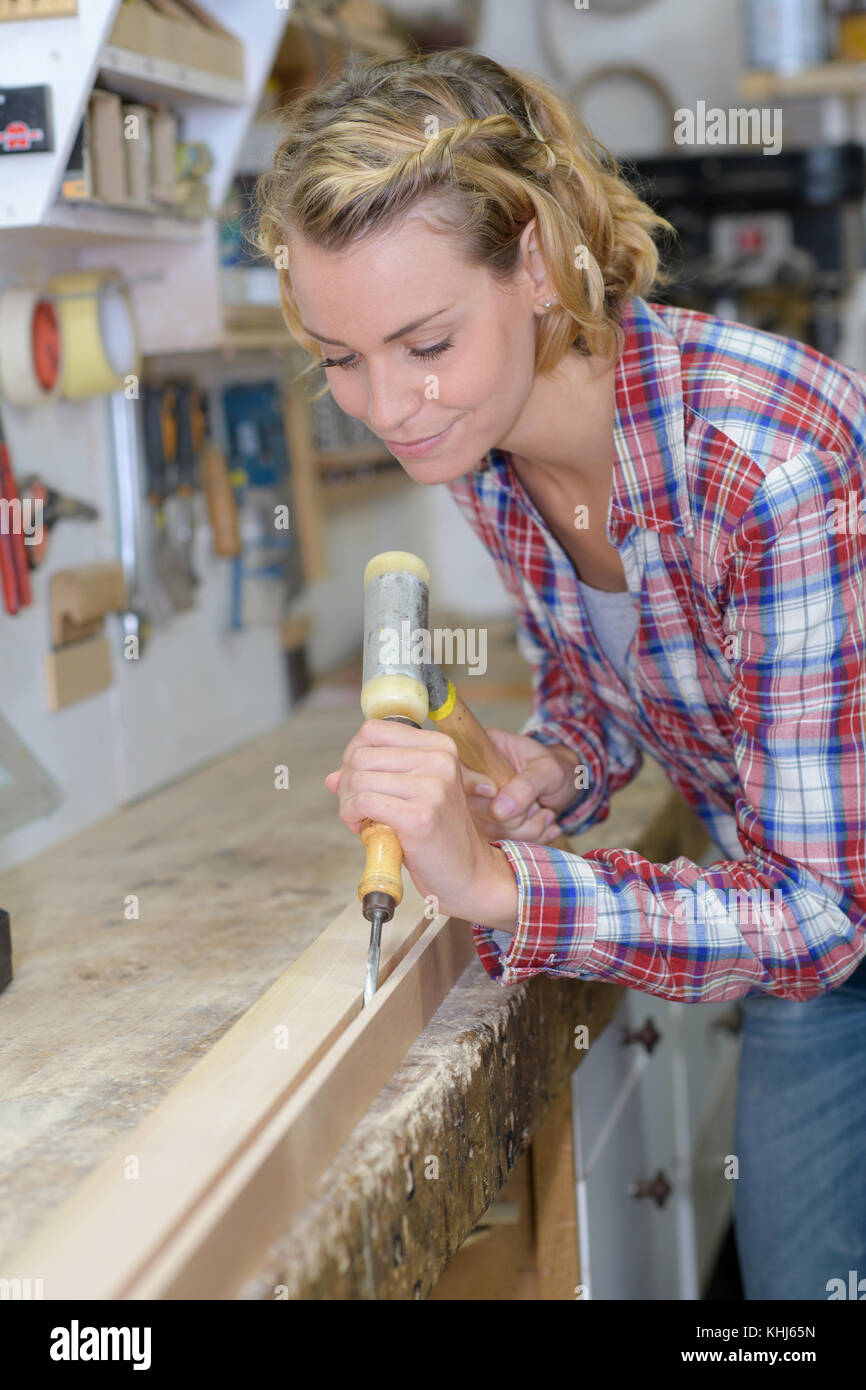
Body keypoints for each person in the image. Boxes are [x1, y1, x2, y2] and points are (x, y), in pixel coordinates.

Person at [254, 48, 866, 1300]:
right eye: (339, 357)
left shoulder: (766, 457)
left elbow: (817, 915)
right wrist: (542, 767)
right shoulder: (482, 445)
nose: (387, 403)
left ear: (532, 262)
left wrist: (503, 884)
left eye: (423, 340)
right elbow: (607, 689)